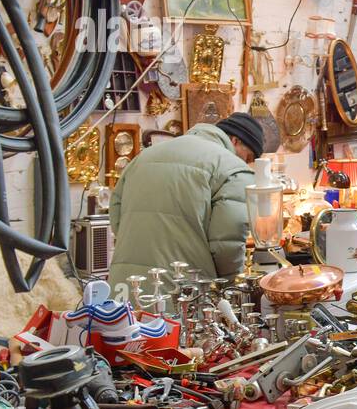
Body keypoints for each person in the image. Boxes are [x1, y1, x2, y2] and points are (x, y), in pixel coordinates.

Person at [108, 114, 264, 290]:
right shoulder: (233, 168)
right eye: (248, 157)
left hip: (125, 286)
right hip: (181, 291)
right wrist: (229, 286)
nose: (246, 163)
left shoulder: (143, 157)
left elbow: (115, 215)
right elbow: (227, 244)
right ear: (235, 140)